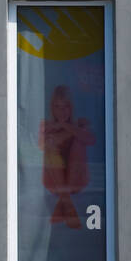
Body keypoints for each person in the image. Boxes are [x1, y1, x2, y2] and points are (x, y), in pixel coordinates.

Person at [38, 85, 95, 229]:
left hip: (77, 181)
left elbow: (90, 139)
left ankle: (64, 200)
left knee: (78, 143)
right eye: (57, 107)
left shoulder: (79, 124)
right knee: (50, 148)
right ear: (52, 108)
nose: (61, 111)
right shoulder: (46, 125)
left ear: (72, 107)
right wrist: (70, 131)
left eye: (65, 107)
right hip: (52, 182)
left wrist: (65, 127)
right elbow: (41, 145)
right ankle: (68, 204)